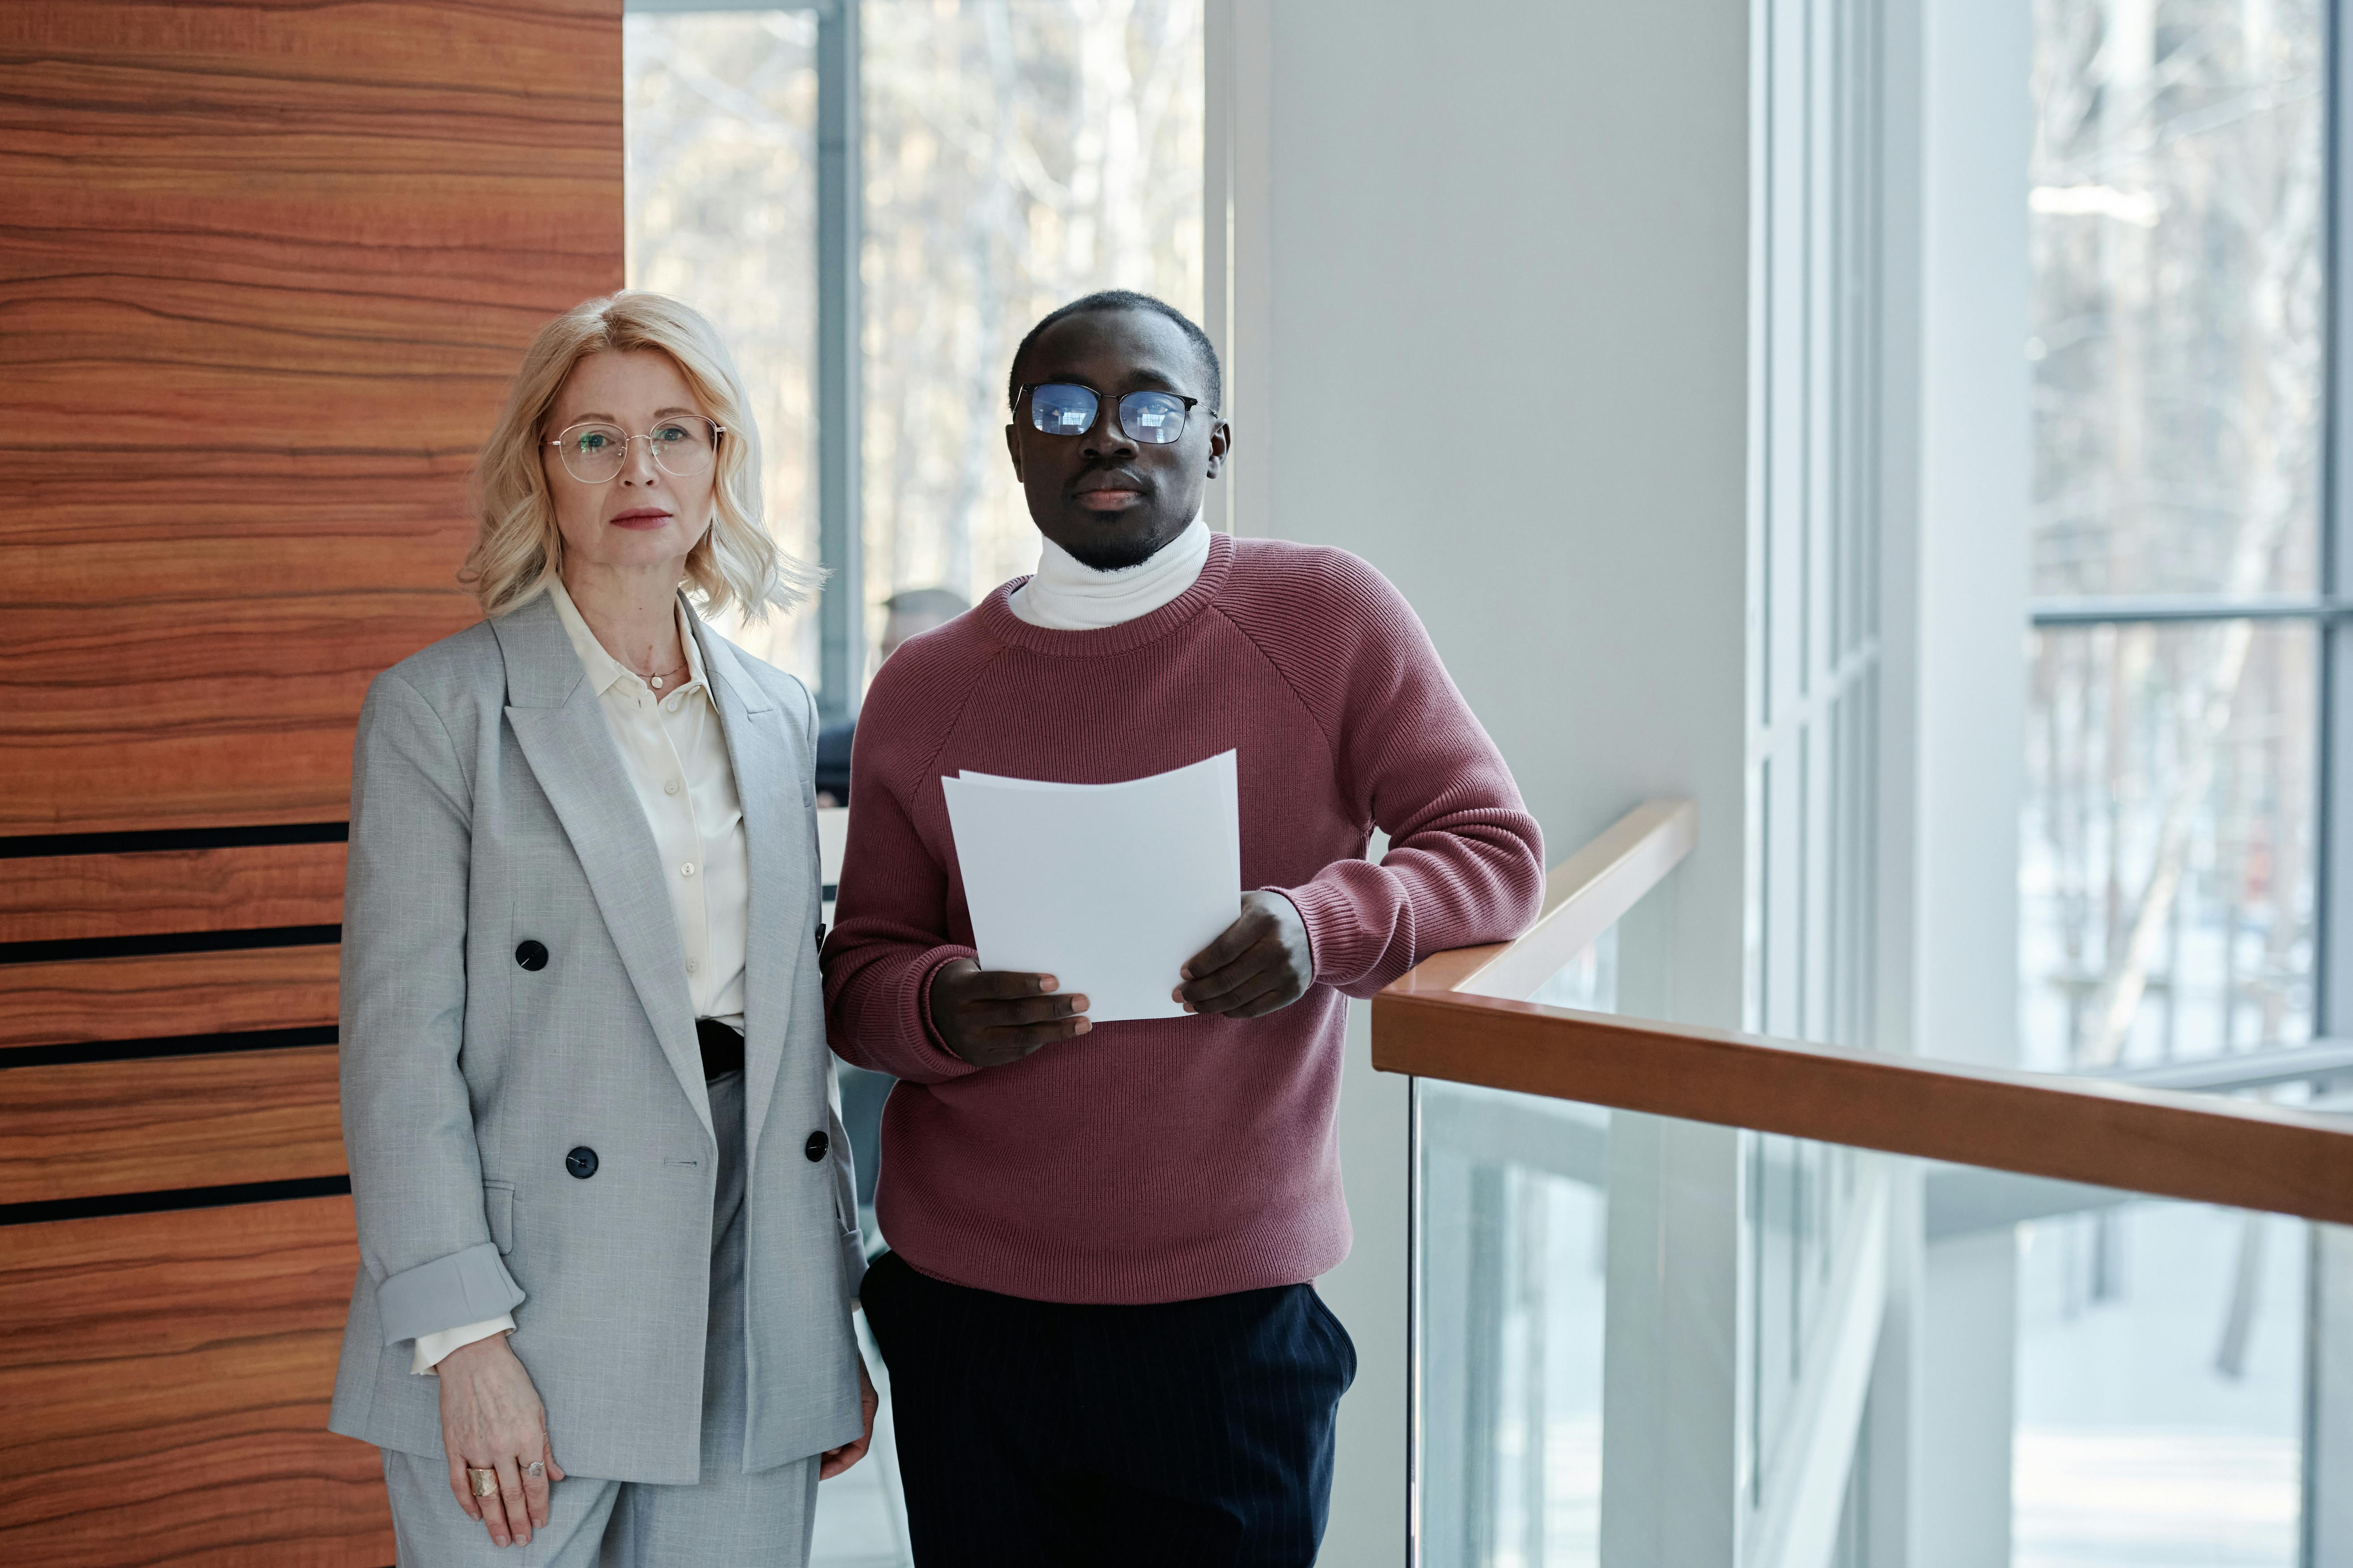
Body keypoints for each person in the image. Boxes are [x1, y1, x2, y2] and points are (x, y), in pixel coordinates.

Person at [822, 289, 1544, 1565]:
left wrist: (1317, 924)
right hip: (968, 1316)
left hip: (1228, 1318)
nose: (1109, 437)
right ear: (1016, 445)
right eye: (1064, 408)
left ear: (1212, 442)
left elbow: (1494, 854)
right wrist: (936, 1003)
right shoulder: (924, 686)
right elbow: (857, 970)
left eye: (1152, 406)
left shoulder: (1325, 619)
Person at [329, 290, 874, 1566]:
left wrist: (824, 1320)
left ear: (719, 462)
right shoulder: (439, 712)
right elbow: (398, 1055)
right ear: (543, 469)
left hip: (752, 1290)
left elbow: (797, 1051)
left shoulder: (778, 710)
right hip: (527, 1303)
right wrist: (463, 1343)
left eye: (677, 433)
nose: (642, 470)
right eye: (596, 439)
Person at [814, 587, 970, 808]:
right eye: (887, 649)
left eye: (915, 651)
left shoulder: (992, 756)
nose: (892, 664)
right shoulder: (827, 754)